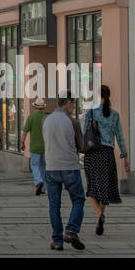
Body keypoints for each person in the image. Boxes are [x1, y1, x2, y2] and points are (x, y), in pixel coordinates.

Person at [81, 85, 129, 236]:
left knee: (91, 188)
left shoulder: (90, 112)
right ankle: (99, 218)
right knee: (104, 188)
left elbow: (82, 132)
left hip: (93, 154)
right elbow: (120, 136)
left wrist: (80, 150)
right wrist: (125, 156)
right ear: (109, 95)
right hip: (108, 154)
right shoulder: (114, 115)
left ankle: (98, 215)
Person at [43, 95, 86, 250]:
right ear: (68, 104)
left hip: (51, 167)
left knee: (54, 205)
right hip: (69, 166)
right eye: (72, 105)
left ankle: (57, 240)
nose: (73, 108)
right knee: (78, 199)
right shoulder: (72, 121)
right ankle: (71, 230)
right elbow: (81, 145)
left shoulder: (46, 120)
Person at [22, 98, 49, 196]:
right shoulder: (46, 117)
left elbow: (25, 132)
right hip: (45, 147)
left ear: (35, 107)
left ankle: (38, 181)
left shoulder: (31, 117)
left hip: (35, 147)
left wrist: (22, 143)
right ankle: (42, 188)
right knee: (43, 166)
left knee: (34, 165)